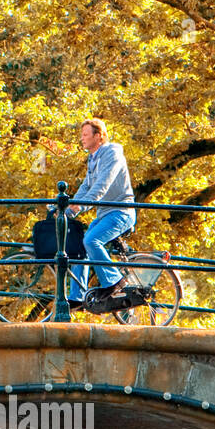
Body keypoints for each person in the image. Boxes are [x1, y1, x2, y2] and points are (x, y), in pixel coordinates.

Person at [65, 118, 136, 308]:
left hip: (121, 212)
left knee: (91, 241)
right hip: (105, 213)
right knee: (81, 246)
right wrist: (70, 208)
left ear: (98, 136)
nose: (82, 139)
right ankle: (77, 297)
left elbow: (101, 186)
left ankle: (115, 282)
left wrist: (80, 207)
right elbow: (86, 186)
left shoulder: (111, 154)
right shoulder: (93, 157)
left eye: (85, 134)